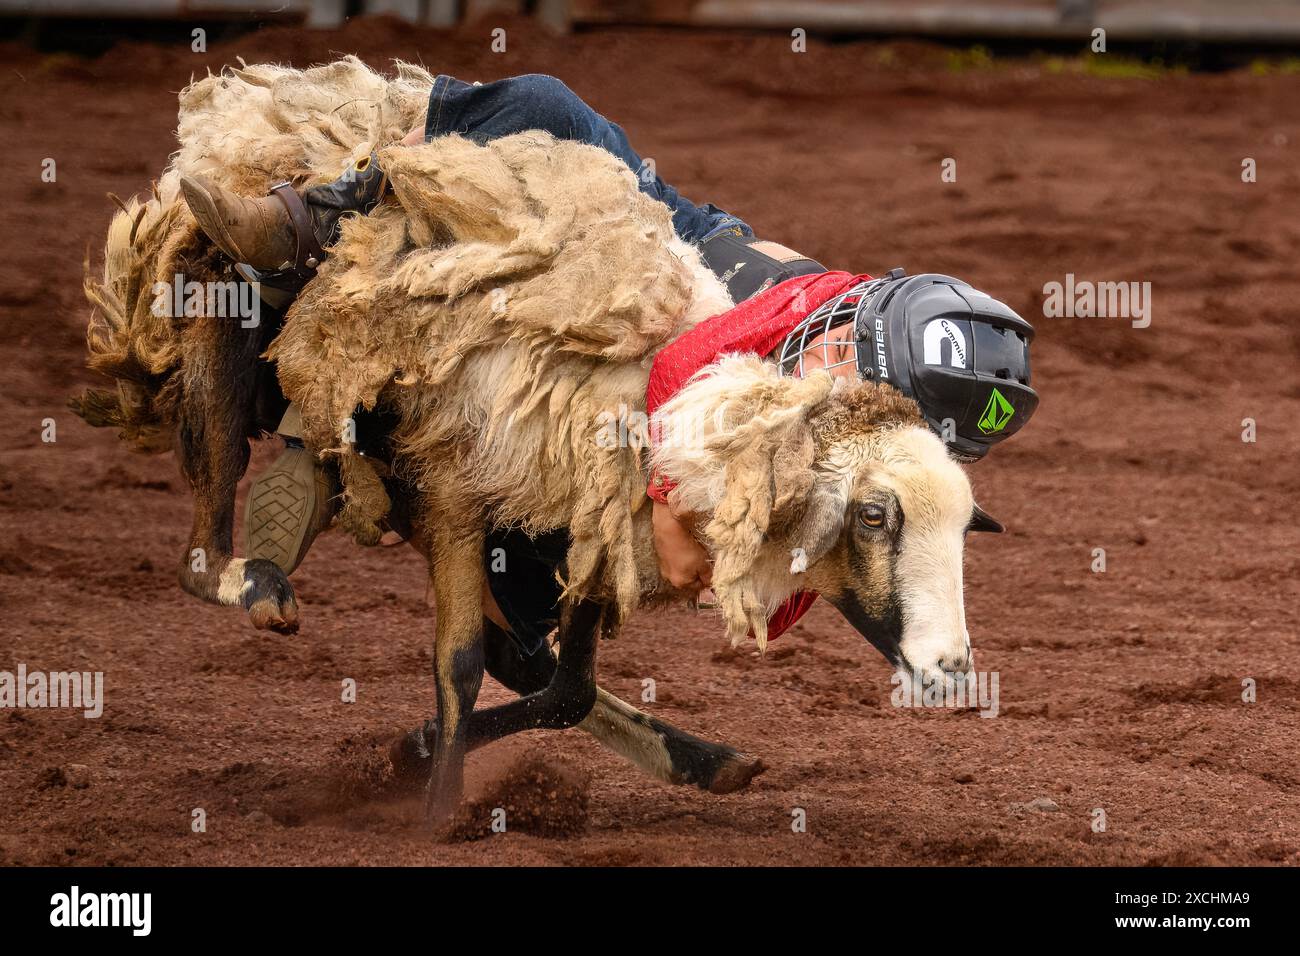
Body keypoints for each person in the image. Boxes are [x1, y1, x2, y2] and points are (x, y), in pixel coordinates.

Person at [180, 73, 1038, 656]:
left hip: (610, 426)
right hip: (660, 243)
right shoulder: (805, 304)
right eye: (851, 337)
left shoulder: (848, 477)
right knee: (547, 108)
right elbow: (691, 362)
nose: (838, 359)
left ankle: (373, 461)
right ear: (857, 308)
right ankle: (313, 212)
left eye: (861, 375)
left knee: (524, 591)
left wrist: (793, 591)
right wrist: (672, 510)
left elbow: (792, 595)